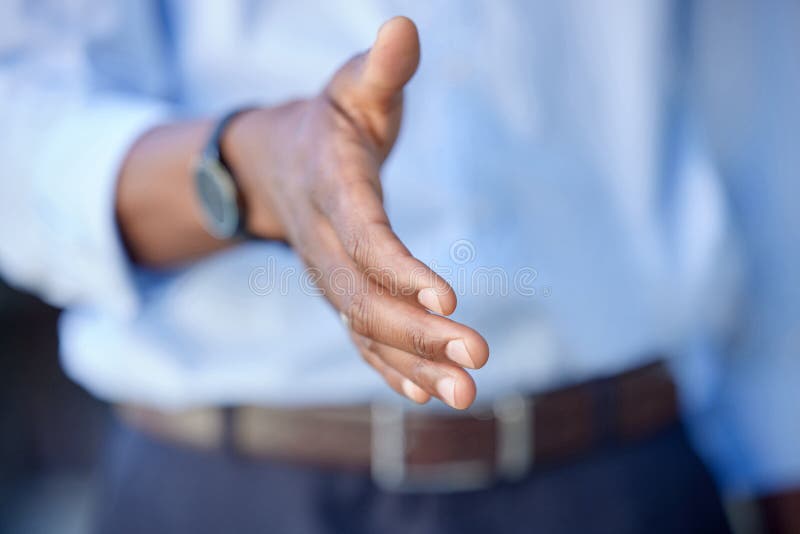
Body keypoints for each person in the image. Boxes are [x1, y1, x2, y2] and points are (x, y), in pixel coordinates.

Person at [0, 1, 798, 533]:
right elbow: (21, 109)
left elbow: (762, 104)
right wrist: (247, 170)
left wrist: (782, 449)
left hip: (621, 474)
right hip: (233, 488)